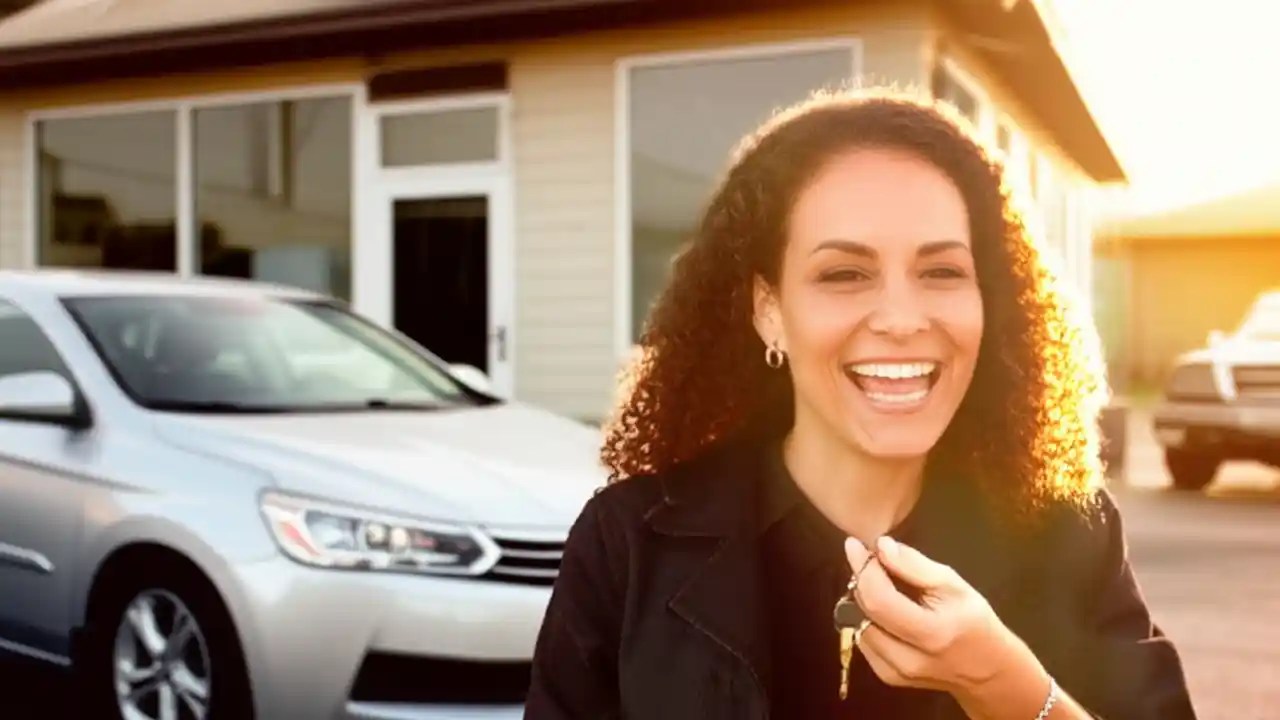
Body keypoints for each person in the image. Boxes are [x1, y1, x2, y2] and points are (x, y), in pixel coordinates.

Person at [524, 88, 1196, 719]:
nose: (901, 319)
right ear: (769, 311)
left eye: (942, 271)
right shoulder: (628, 545)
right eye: (844, 274)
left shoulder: (1069, 534)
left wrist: (1004, 683)